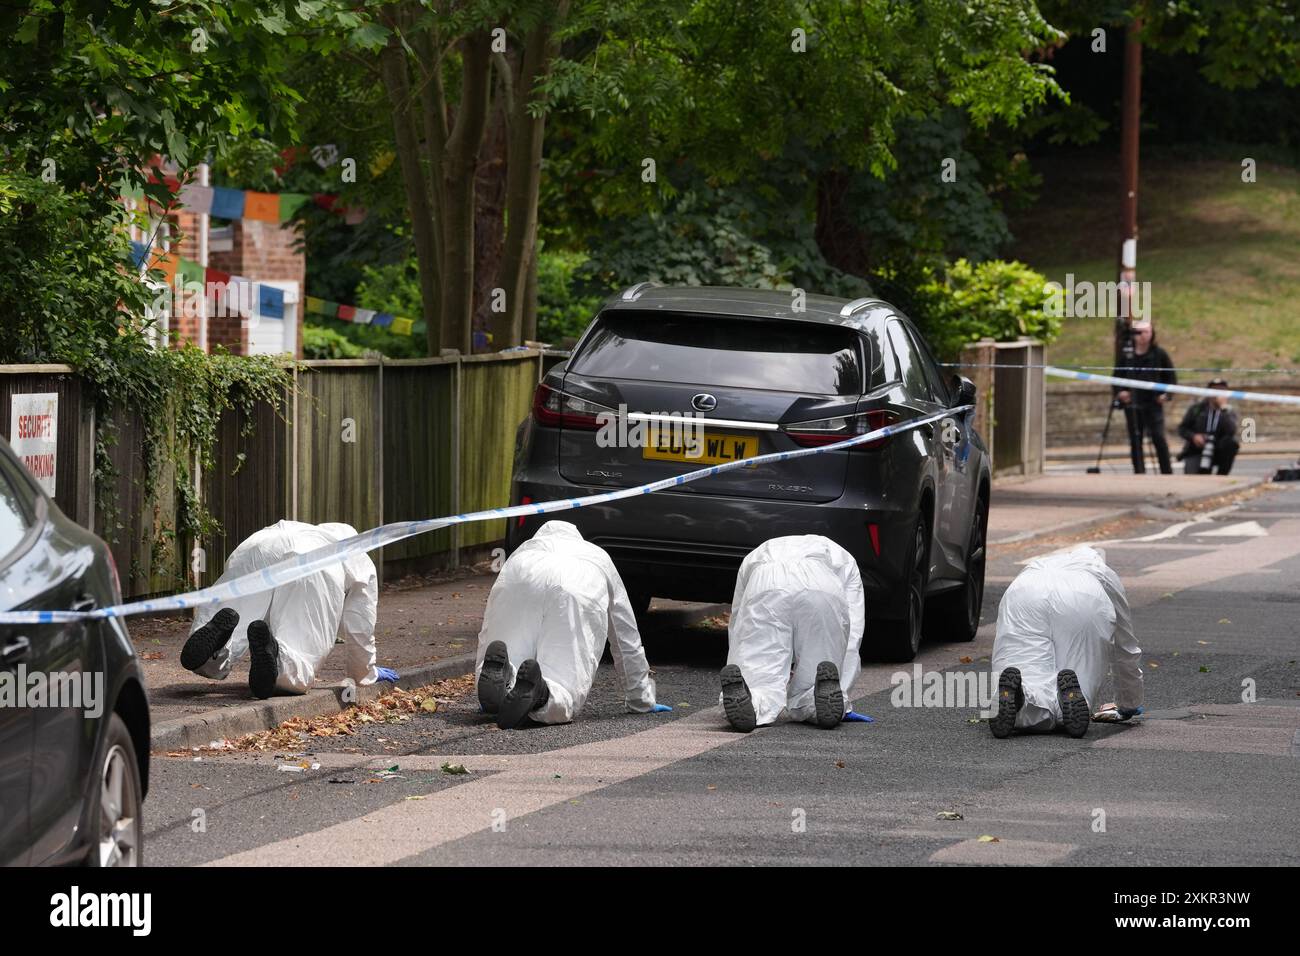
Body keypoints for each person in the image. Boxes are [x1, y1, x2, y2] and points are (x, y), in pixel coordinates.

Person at [474, 520, 668, 729]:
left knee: (509, 652)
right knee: (564, 686)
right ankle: (543, 694)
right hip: (577, 584)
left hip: (519, 576)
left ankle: (504, 677)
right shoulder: (597, 556)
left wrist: (480, 665)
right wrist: (641, 698)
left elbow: (489, 625)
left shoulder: (522, 551)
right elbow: (625, 636)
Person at [180, 520, 395, 699]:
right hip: (314, 560)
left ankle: (215, 649)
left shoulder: (305, 528)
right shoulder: (357, 553)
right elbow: (360, 625)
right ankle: (276, 657)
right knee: (300, 661)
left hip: (258, 546)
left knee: (230, 615)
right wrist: (365, 674)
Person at [990, 545, 1143, 739]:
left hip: (1024, 591)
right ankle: (1068, 704)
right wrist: (1128, 703)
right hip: (1083, 596)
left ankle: (1022, 697)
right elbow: (1125, 647)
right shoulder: (1103, 572)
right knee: (1078, 674)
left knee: (1027, 669)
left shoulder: (1038, 564)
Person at [720, 535, 867, 732]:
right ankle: (816, 699)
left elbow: (738, 619)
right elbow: (852, 631)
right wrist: (845, 696)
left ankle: (754, 702)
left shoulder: (759, 552)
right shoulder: (843, 557)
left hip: (765, 581)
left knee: (758, 677)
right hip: (823, 584)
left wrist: (739, 660)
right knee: (817, 670)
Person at [1113, 321, 1176, 474]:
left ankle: (1167, 472)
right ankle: (1139, 472)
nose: (1142, 336)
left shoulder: (1159, 354)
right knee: (1136, 439)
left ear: (1152, 333)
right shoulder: (1126, 355)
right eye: (1138, 332)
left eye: (1145, 332)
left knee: (1158, 438)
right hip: (1133, 403)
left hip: (1153, 403)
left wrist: (1166, 395)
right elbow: (1116, 377)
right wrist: (1121, 392)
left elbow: (1171, 378)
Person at [1177, 379, 1240, 475]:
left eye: (1221, 390)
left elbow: (1231, 431)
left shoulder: (1228, 411)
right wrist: (1193, 436)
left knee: (1231, 444)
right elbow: (1182, 428)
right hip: (1198, 449)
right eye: (1214, 390)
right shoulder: (1197, 409)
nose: (1217, 394)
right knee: (1193, 478)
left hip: (1217, 448)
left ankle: (1221, 476)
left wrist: (1223, 409)